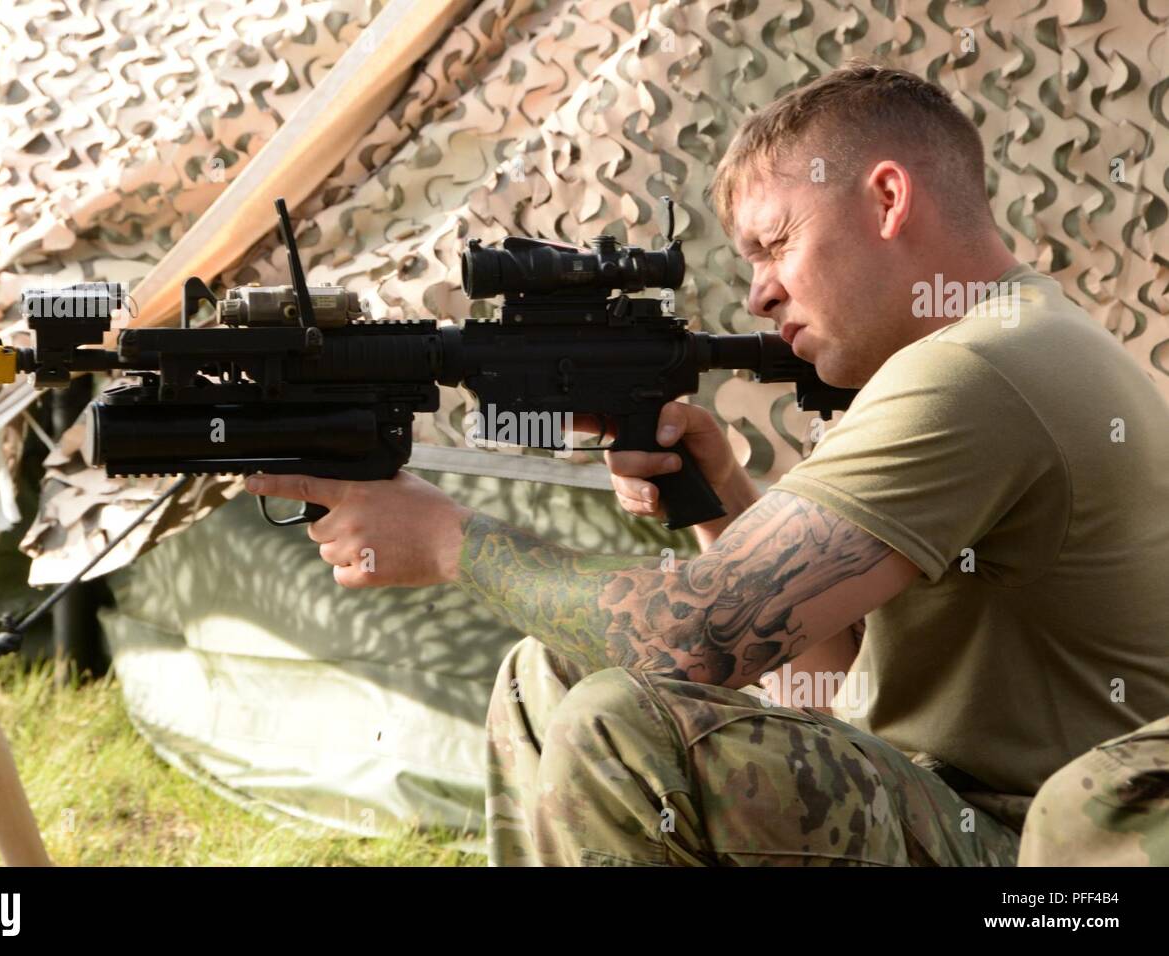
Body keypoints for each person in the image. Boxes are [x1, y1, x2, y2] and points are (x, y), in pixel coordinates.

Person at [245, 60, 1169, 866]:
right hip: (954, 807)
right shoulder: (1002, 338)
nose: (761, 291)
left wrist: (451, 542)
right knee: (551, 674)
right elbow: (834, 679)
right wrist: (726, 501)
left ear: (888, 199)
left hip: (1047, 857)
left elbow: (687, 642)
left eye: (777, 244)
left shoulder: (974, 370)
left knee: (622, 726)